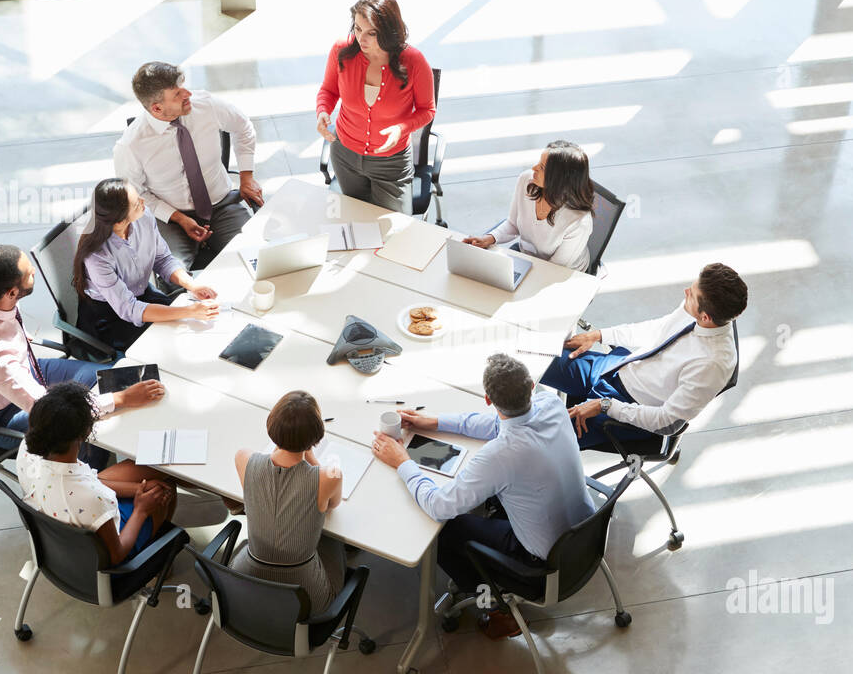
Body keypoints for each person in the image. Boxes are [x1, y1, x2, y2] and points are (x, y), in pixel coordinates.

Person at [370, 354, 594, 640]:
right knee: (489, 500)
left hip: (543, 563)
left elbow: (439, 506)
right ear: (532, 386)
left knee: (446, 531)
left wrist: (402, 461)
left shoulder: (501, 455)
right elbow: (498, 425)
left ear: (488, 399)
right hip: (582, 536)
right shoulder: (551, 404)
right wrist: (435, 422)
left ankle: (495, 607)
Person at [0, 245, 164, 460]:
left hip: (26, 368)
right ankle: (96, 484)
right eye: (29, 272)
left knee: (113, 377)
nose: (34, 270)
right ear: (12, 293)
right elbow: (52, 411)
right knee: (89, 428)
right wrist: (122, 398)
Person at [541, 262, 747, 450]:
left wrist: (605, 405)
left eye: (691, 294)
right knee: (533, 357)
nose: (685, 292)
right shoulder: (697, 309)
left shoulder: (713, 365)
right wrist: (600, 335)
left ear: (705, 317)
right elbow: (657, 329)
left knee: (540, 443)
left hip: (626, 409)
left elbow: (666, 422)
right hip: (616, 367)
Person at [114, 61, 262, 278]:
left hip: (221, 205)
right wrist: (179, 218)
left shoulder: (207, 105)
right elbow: (136, 196)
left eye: (183, 86)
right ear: (157, 108)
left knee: (256, 259)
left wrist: (247, 177)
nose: (188, 93)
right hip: (172, 217)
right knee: (174, 278)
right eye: (177, 94)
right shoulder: (130, 146)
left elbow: (244, 127)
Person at [17, 382, 176, 566]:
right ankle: (159, 563)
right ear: (85, 432)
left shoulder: (27, 449)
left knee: (152, 474)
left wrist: (136, 489)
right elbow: (116, 554)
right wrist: (141, 510)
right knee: (166, 485)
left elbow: (89, 483)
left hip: (64, 526)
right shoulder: (93, 497)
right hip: (106, 558)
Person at [315, 0, 436, 215]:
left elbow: (427, 110)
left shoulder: (414, 61)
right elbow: (328, 90)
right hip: (345, 155)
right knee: (357, 222)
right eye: (358, 29)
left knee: (395, 232)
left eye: (371, 33)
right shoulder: (341, 50)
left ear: (389, 31)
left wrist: (401, 128)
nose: (362, 39)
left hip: (391, 163)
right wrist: (323, 111)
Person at [229, 391, 345, 613]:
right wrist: (308, 451)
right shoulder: (330, 476)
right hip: (306, 598)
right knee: (335, 542)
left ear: (271, 425)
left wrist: (288, 441)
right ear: (317, 434)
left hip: (245, 581)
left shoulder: (244, 458)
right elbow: (332, 506)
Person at [73, 178, 220, 352]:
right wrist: (189, 310)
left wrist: (192, 285)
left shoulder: (144, 216)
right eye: (136, 204)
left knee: (193, 327)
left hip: (141, 295)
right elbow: (129, 309)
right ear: (119, 221)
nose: (143, 202)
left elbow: (163, 259)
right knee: (169, 342)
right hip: (111, 317)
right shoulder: (97, 255)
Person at [464, 141, 595, 272]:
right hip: (528, 257)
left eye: (542, 168)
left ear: (558, 180)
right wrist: (489, 238)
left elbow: (554, 270)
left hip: (561, 273)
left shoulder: (579, 221)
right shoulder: (527, 180)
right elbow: (513, 224)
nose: (534, 168)